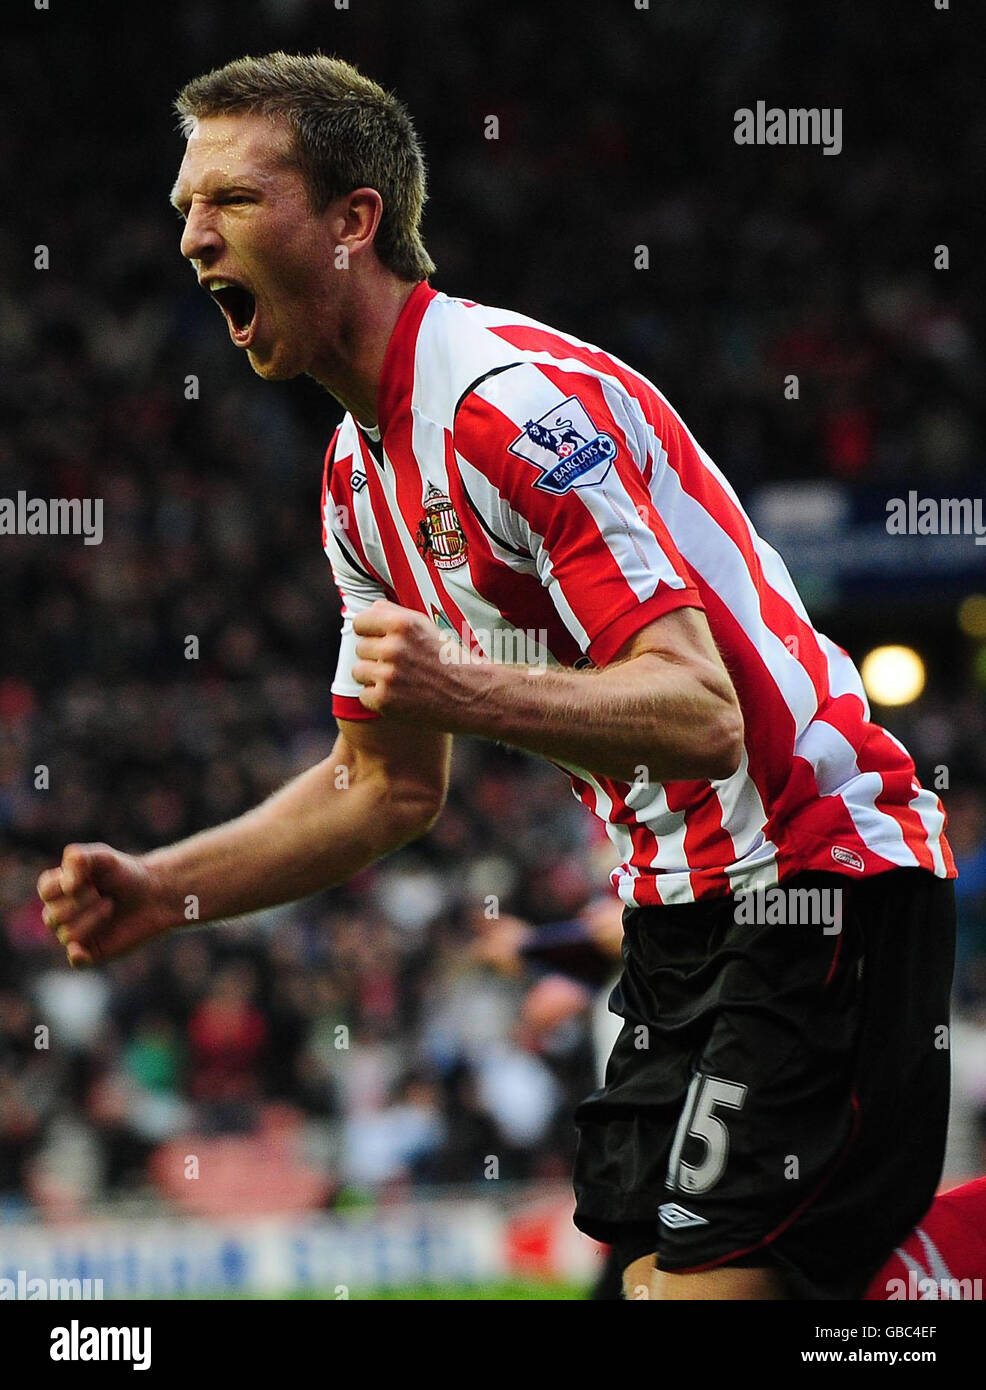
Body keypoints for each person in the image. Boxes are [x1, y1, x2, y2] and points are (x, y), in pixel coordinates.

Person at [37, 52, 956, 1301]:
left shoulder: (507, 406)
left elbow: (699, 713)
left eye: (234, 202)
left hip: (814, 873)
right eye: (184, 209)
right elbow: (380, 789)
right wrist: (164, 884)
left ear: (355, 220)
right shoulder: (357, 489)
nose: (193, 238)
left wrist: (463, 689)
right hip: (671, 918)